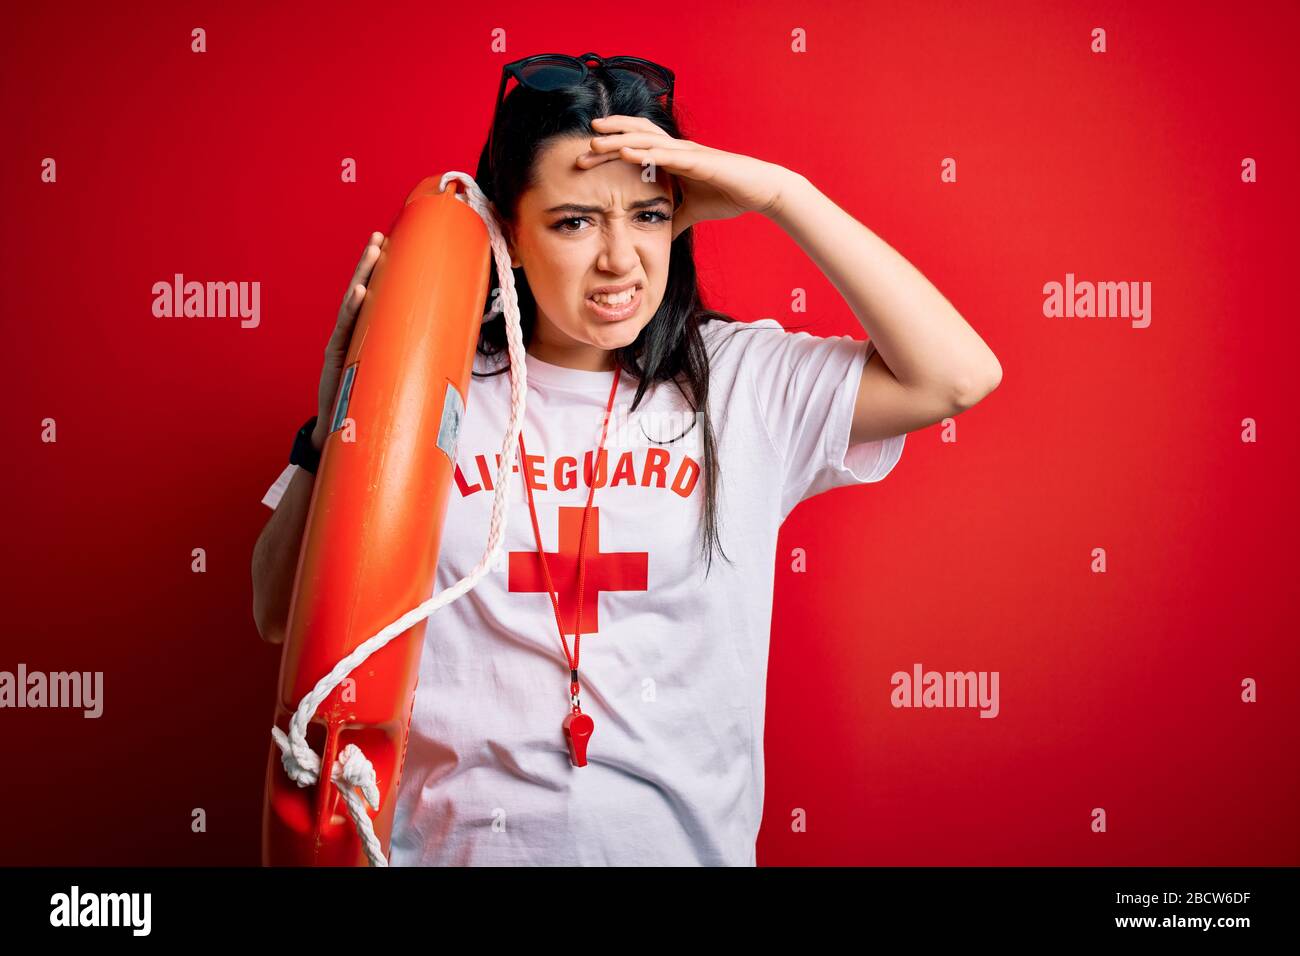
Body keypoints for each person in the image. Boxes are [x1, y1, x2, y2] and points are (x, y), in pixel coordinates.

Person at [250, 53, 1001, 866]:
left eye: (647, 215)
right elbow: (280, 615)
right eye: (573, 222)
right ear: (507, 232)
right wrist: (338, 428)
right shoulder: (433, 393)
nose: (620, 260)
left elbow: (957, 375)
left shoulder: (742, 382)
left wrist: (783, 195)